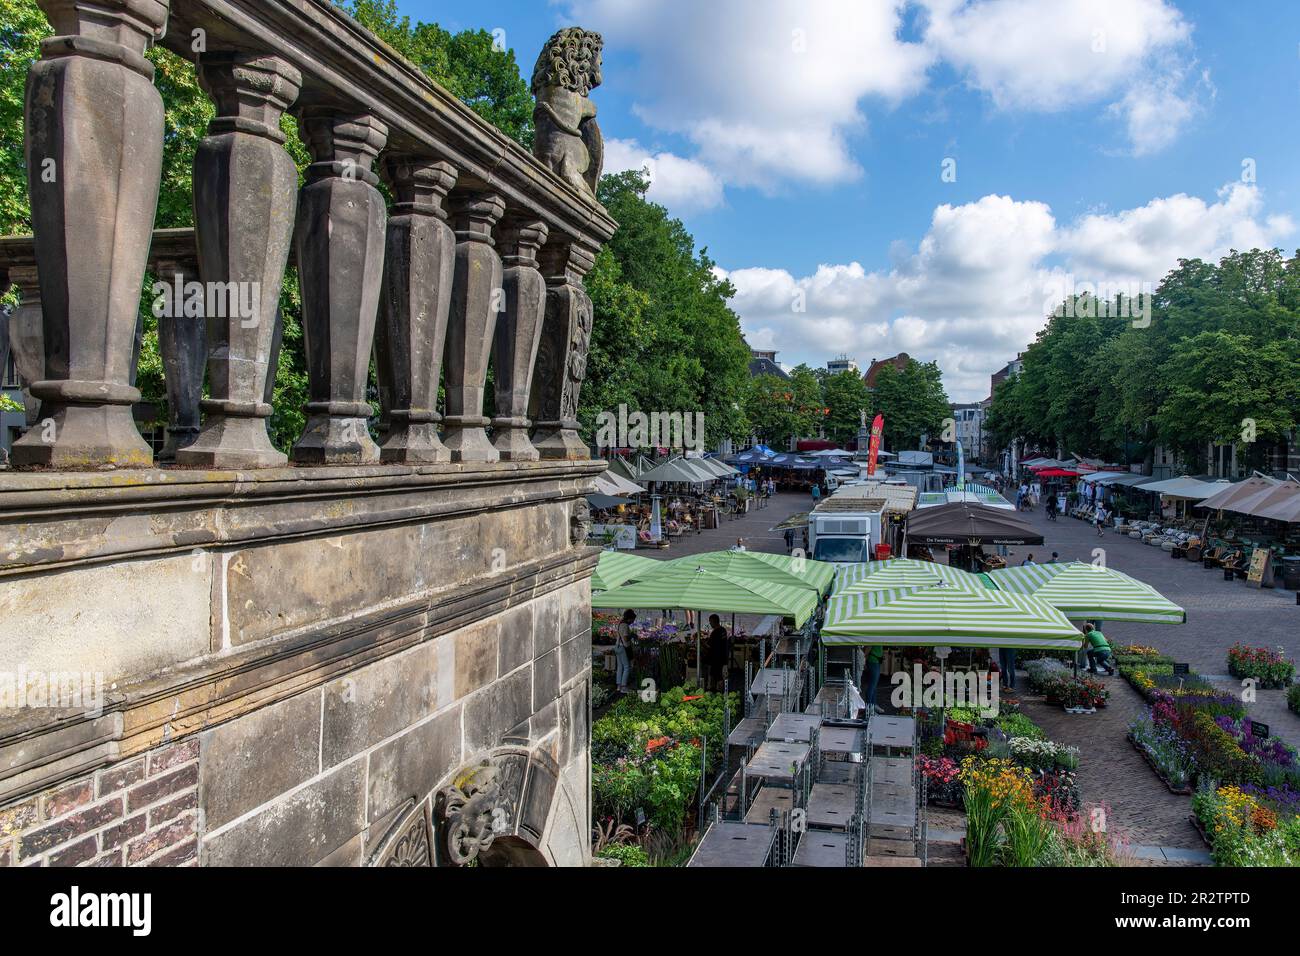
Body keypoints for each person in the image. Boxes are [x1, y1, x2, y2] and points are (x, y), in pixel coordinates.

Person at [706, 614, 730, 692]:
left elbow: (709, 646)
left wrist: (701, 642)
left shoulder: (715, 632)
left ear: (714, 621)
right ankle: (720, 691)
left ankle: (717, 691)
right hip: (723, 658)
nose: (710, 624)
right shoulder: (723, 630)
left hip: (716, 659)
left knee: (717, 676)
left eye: (710, 622)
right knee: (721, 676)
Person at [615, 610, 636, 693]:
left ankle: (619, 686)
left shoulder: (620, 623)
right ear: (629, 618)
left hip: (617, 646)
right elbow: (626, 638)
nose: (633, 621)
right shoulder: (625, 625)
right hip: (623, 647)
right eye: (633, 619)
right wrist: (633, 635)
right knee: (627, 667)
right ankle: (624, 687)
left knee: (620, 667)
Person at [860, 645, 884, 715]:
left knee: (874, 685)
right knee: (872, 685)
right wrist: (864, 659)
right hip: (873, 661)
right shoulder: (874, 635)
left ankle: (873, 705)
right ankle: (869, 707)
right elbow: (868, 647)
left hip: (876, 660)